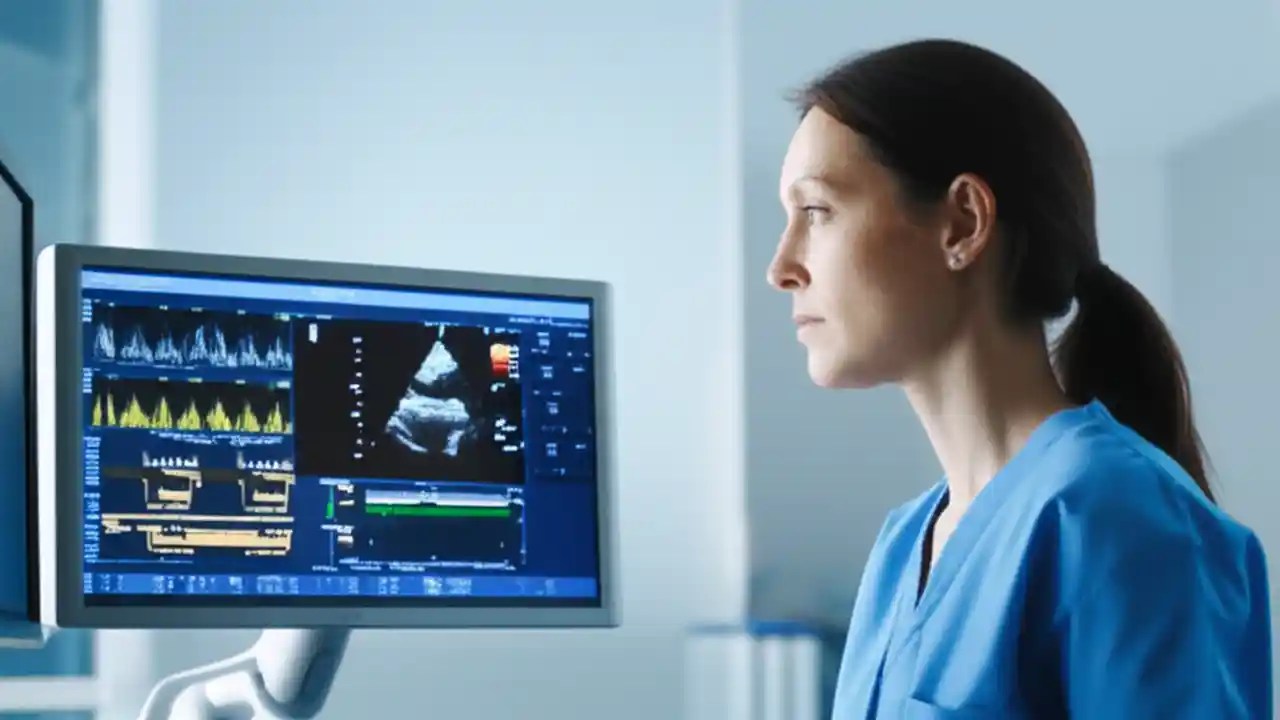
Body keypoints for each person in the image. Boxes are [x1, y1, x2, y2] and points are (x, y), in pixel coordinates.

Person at [767, 38, 1272, 719]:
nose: (781, 266)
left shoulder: (1120, 517)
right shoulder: (900, 548)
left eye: (818, 211)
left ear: (963, 223)